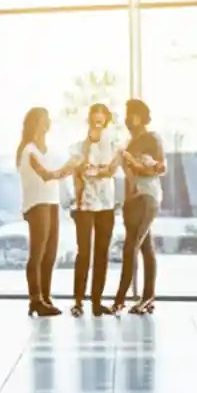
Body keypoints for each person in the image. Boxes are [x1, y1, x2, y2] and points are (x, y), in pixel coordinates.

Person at [16, 107, 80, 317]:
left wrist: (70, 167)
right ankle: (35, 299)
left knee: (50, 253)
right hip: (37, 204)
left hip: (51, 202)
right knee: (38, 253)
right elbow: (45, 175)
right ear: (37, 123)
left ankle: (45, 296)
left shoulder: (48, 150)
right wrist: (67, 168)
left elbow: (57, 175)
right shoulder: (29, 151)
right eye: (46, 118)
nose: (49, 122)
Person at [112, 98, 165, 315]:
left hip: (148, 196)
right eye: (126, 114)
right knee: (145, 247)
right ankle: (148, 298)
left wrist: (138, 166)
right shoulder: (128, 144)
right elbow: (126, 176)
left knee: (130, 247)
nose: (128, 119)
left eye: (132, 114)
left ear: (142, 116)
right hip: (133, 200)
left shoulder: (152, 138)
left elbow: (160, 168)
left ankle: (120, 299)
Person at [69, 103, 120, 317]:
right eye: (94, 119)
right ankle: (78, 301)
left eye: (101, 119)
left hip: (106, 203)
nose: (97, 122)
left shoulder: (115, 144)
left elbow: (110, 171)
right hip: (85, 204)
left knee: (102, 253)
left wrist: (93, 171)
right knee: (84, 253)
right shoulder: (80, 146)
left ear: (106, 121)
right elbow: (77, 172)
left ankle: (97, 302)